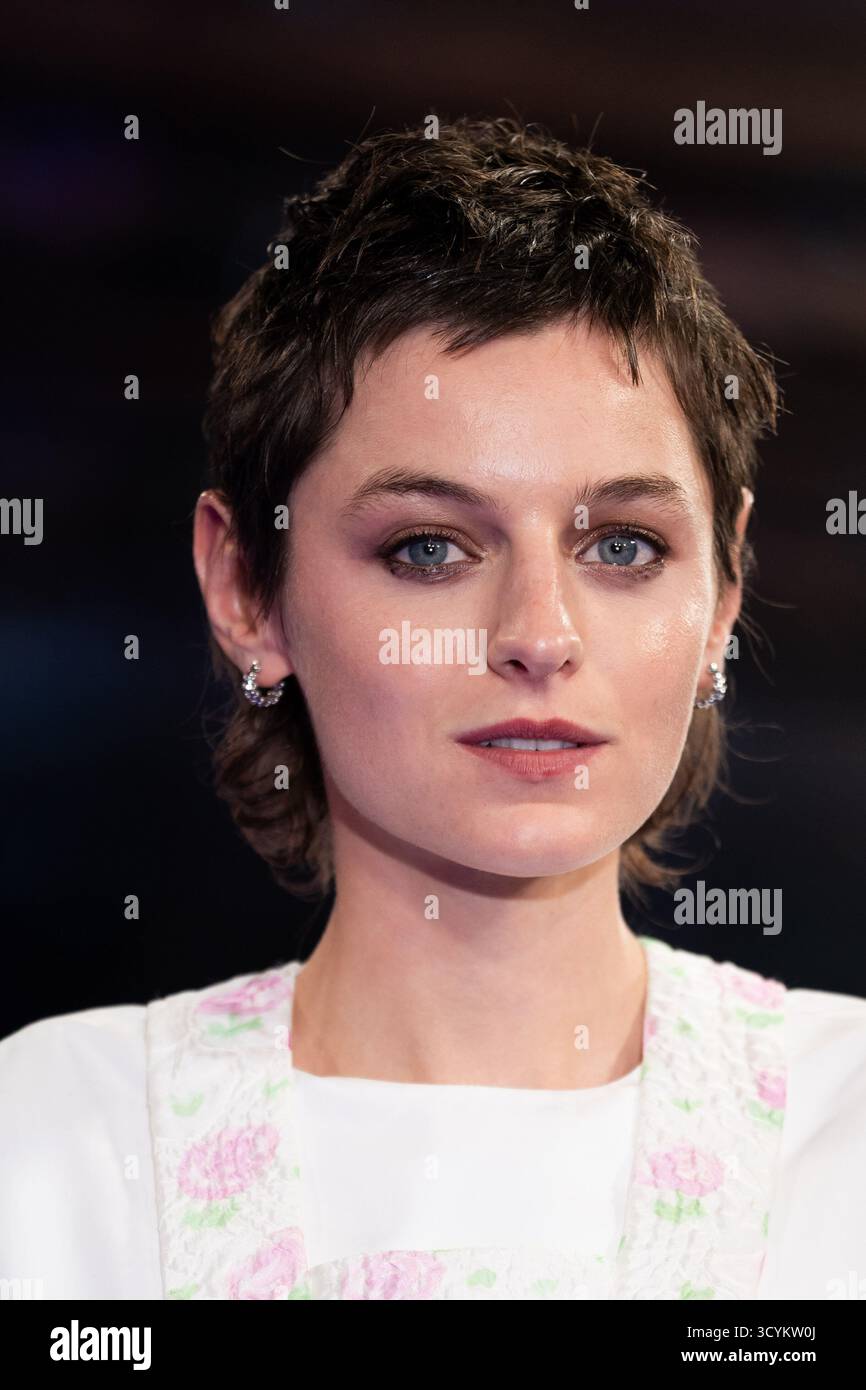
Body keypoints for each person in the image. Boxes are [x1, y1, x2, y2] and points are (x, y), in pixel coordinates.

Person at [2, 117, 865, 1302]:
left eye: (622, 544)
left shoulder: (845, 1128)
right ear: (246, 587)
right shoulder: (55, 1148)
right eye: (427, 547)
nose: (538, 637)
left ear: (722, 590)